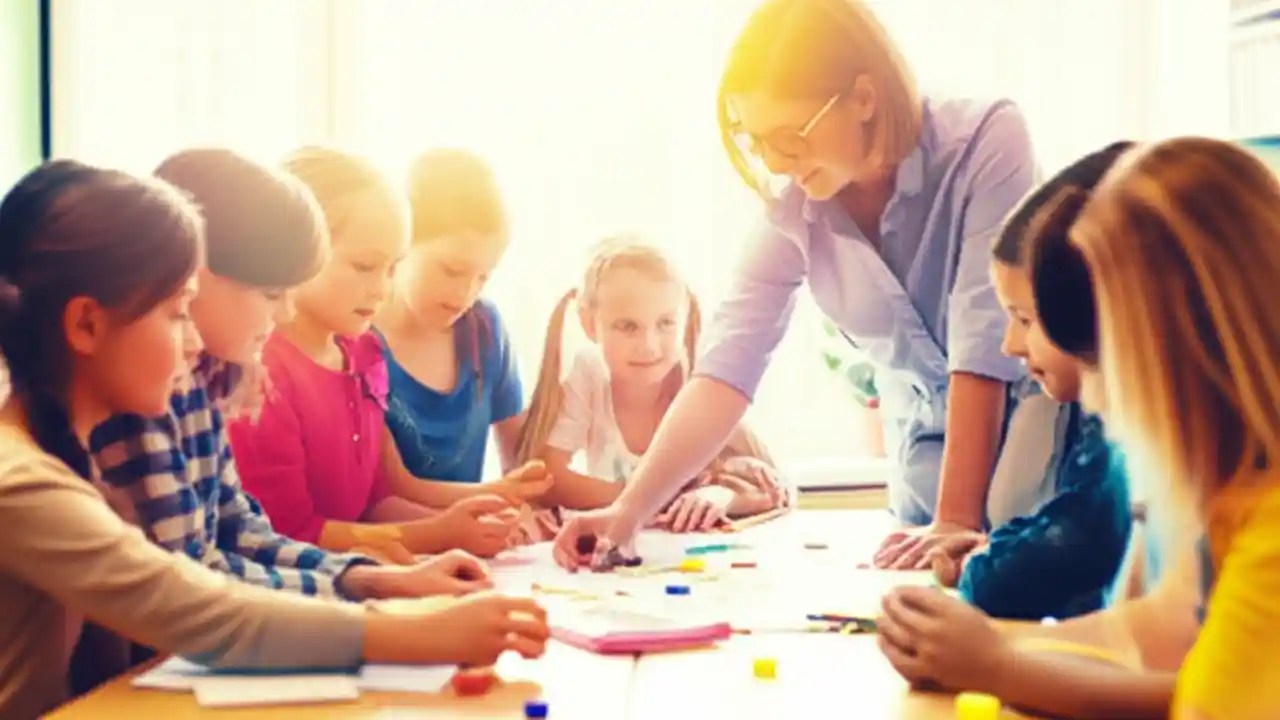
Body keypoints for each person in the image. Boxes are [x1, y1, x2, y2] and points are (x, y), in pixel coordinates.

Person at [0, 160, 548, 719]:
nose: (193, 345)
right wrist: (419, 634)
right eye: (176, 314)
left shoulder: (57, 449)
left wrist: (382, 584)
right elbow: (198, 608)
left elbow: (234, 538)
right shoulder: (22, 483)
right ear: (86, 325)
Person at [552, 0, 1048, 571]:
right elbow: (724, 371)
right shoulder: (795, 213)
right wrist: (628, 510)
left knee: (1021, 585)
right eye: (756, 141)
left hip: (1034, 427)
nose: (776, 163)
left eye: (790, 137)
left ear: (864, 98)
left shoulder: (987, 141)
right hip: (928, 466)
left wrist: (956, 520)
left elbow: (982, 338)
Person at [879, 137, 1280, 719]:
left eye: (1104, 351)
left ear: (1186, 352)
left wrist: (998, 662)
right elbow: (1192, 678)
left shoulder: (1266, 539)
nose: (1093, 392)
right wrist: (987, 656)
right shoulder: (1232, 514)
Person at [88, 148, 490, 599]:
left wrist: (372, 579)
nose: (287, 308)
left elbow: (242, 530)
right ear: (196, 280)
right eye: (271, 292)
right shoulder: (143, 396)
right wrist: (370, 599)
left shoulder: (204, 383)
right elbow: (192, 579)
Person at [229, 146, 521, 562]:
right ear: (297, 250)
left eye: (392, 268)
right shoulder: (264, 374)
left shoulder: (362, 350)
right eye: (365, 266)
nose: (382, 288)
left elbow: (376, 499)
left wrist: (463, 522)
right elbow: (288, 533)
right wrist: (436, 534)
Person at [924, 143, 1132, 620]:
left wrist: (985, 565)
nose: (1010, 347)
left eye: (1025, 318)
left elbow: (1075, 543)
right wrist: (999, 546)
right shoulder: (1101, 415)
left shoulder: (1135, 436)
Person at [515, 237, 790, 535]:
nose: (649, 347)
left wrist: (719, 496)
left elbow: (778, 491)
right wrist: (650, 501)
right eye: (627, 327)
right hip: (616, 552)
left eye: (666, 323)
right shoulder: (588, 373)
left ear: (684, 318)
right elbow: (550, 479)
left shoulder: (702, 383)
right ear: (589, 324)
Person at [376, 149, 553, 509]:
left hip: (478, 544)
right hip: (399, 545)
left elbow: (521, 465)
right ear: (402, 245)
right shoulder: (356, 342)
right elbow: (378, 497)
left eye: (483, 277)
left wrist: (523, 510)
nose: (465, 294)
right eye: (452, 271)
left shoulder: (484, 329)